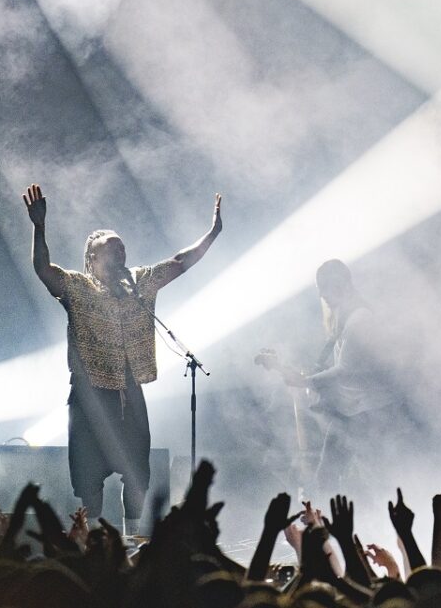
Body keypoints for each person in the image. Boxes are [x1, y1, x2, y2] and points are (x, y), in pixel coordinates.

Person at [24, 183, 222, 535]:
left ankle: (132, 541)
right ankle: (92, 543)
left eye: (123, 248)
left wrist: (212, 234)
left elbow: (179, 262)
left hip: (129, 389)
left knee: (137, 475)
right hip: (90, 393)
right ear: (93, 259)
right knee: (89, 478)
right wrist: (39, 228)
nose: (120, 254)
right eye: (112, 249)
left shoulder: (141, 283)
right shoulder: (78, 287)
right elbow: (43, 270)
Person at [256, 259, 406, 505]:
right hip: (350, 413)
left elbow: (345, 370)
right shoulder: (342, 321)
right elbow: (328, 371)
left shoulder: (360, 319)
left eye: (324, 287)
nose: (321, 294)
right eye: (319, 287)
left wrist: (305, 381)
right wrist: (284, 368)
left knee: (378, 480)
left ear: (343, 284)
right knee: (329, 477)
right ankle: (333, 530)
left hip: (369, 413)